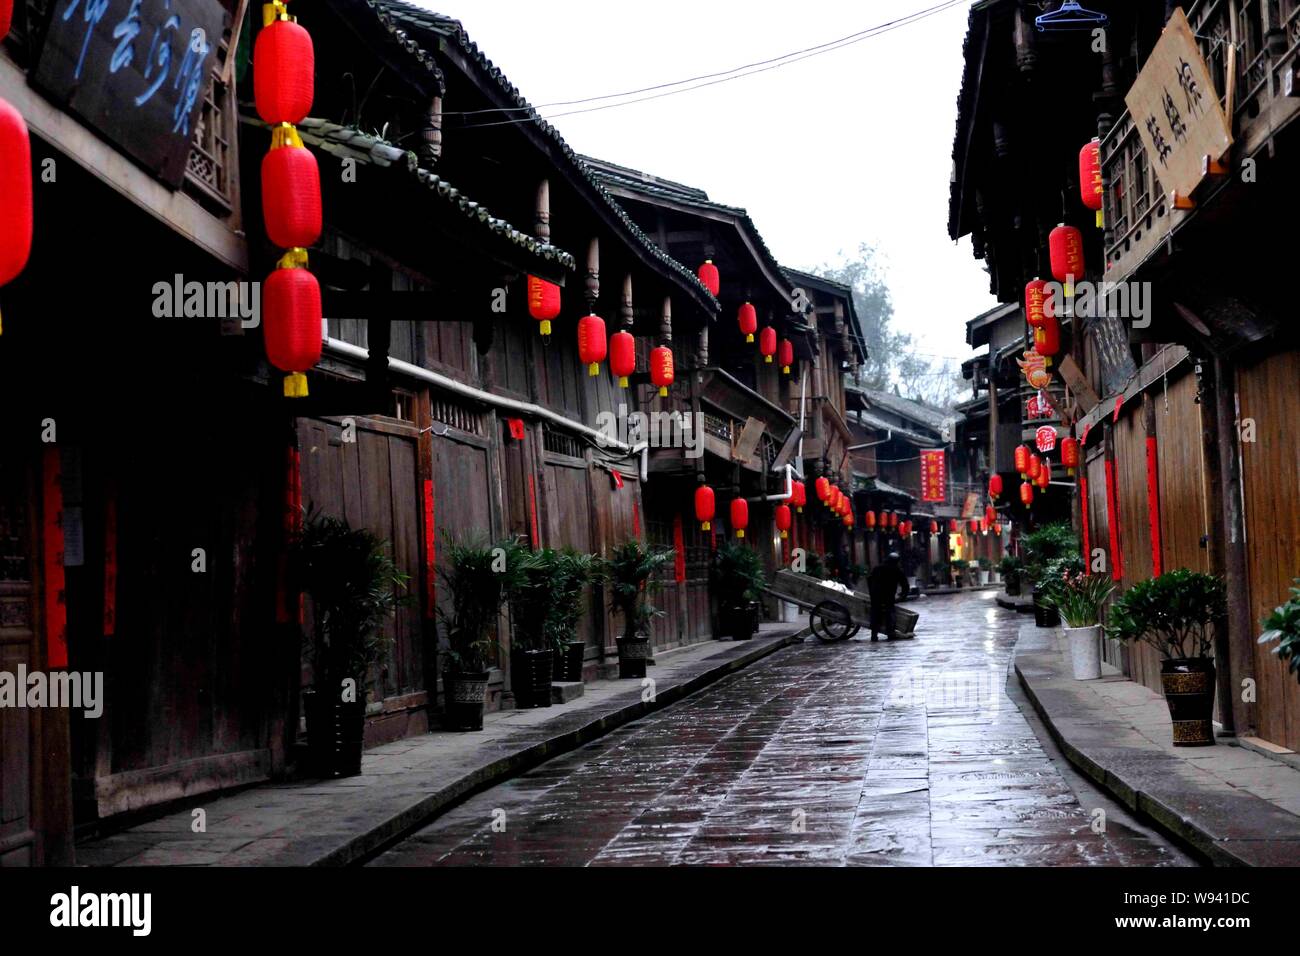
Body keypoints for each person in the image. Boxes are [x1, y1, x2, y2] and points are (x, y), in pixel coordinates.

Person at [867, 552, 909, 641]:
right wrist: (903, 595)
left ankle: (874, 634)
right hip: (888, 595)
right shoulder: (897, 570)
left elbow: (869, 580)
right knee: (890, 613)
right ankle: (890, 633)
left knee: (875, 613)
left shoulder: (877, 568)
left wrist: (871, 592)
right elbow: (905, 584)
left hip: (876, 595)